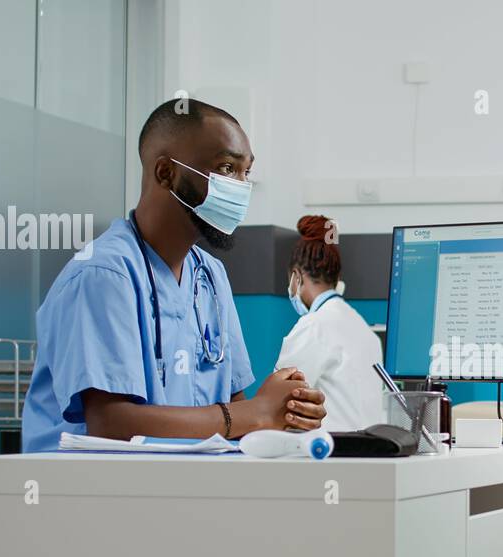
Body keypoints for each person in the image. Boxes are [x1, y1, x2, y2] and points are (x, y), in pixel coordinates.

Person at [21, 99, 326, 452]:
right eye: (227, 168)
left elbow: (238, 406)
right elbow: (111, 423)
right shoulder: (104, 274)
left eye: (247, 172)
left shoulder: (210, 277)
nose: (241, 187)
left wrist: (284, 408)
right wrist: (255, 412)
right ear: (166, 173)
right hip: (83, 492)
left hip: (174, 486)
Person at [274, 215, 384, 431]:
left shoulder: (313, 326)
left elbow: (276, 405)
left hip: (328, 454)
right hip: (369, 451)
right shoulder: (364, 330)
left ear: (296, 277)